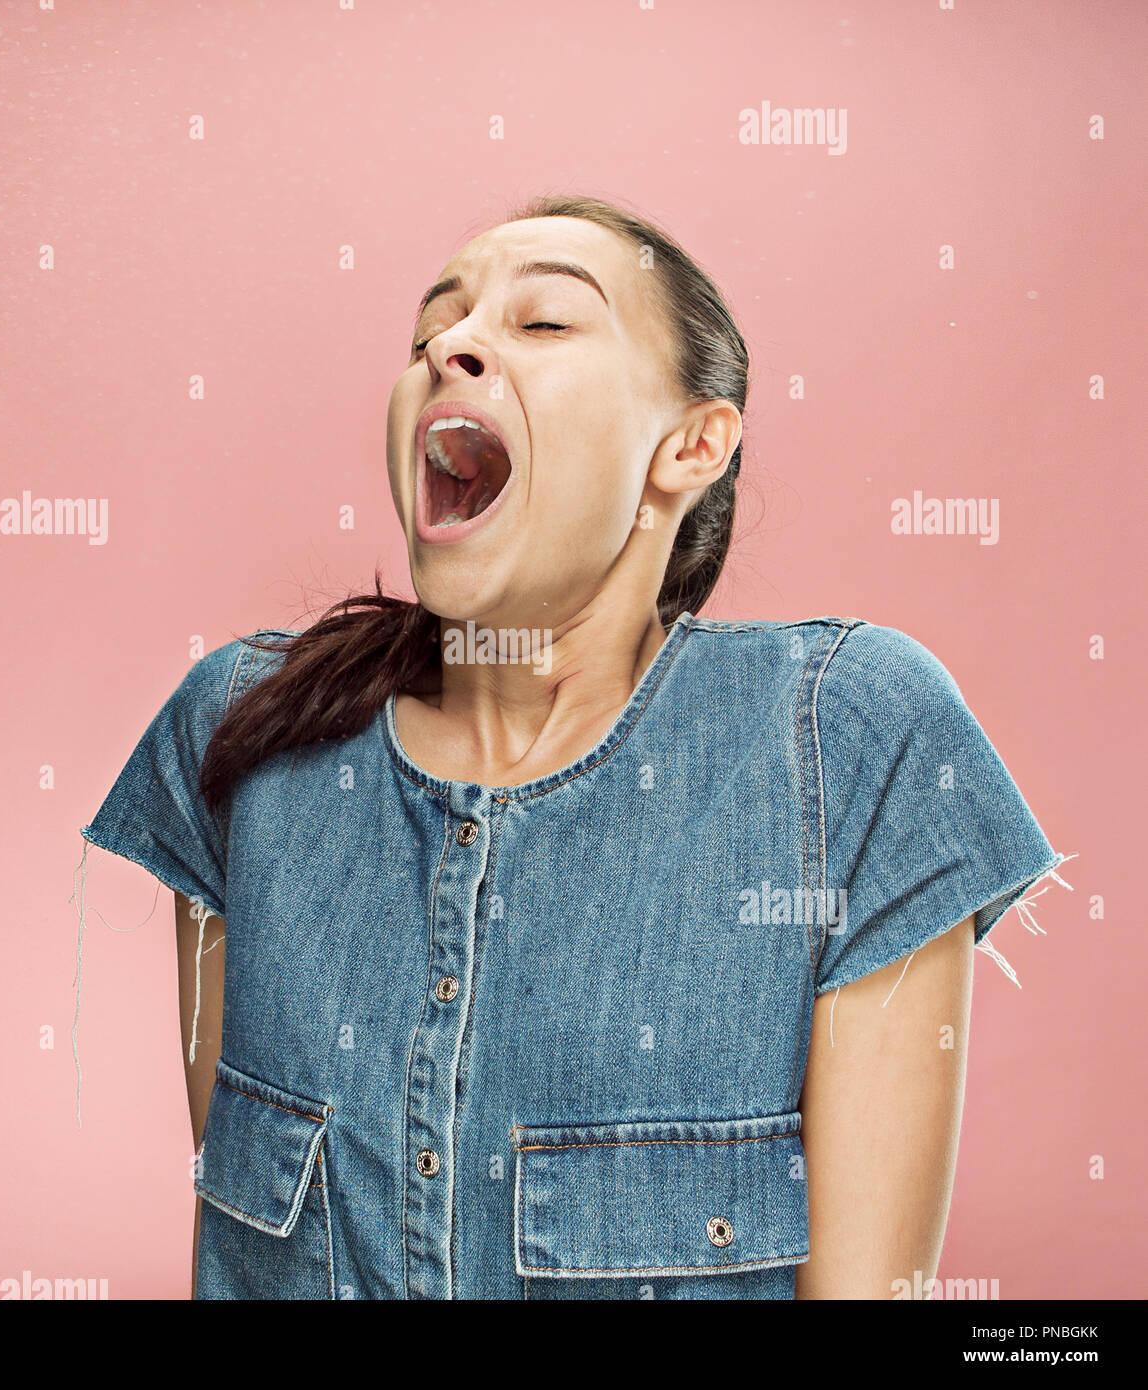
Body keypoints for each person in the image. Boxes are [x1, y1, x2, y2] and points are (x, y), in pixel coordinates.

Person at [77, 193, 1070, 1300]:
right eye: (427, 337)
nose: (449, 347)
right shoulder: (248, 733)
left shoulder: (844, 743)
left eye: (544, 322)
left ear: (690, 444)